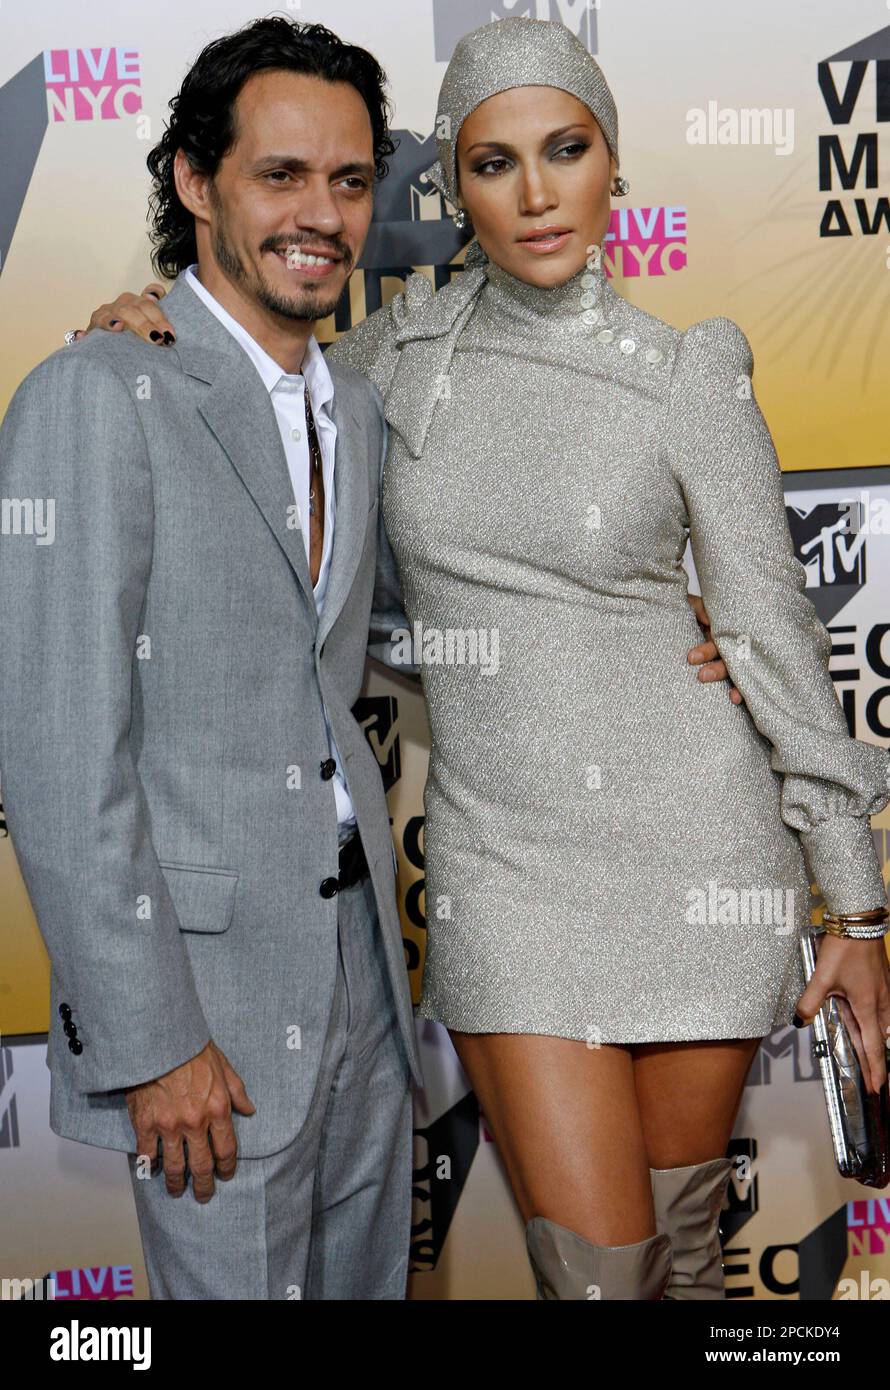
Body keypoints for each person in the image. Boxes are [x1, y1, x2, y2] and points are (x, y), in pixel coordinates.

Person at [72, 17, 860, 1303]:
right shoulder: (384, 360)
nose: (536, 192)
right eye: (494, 163)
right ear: (454, 190)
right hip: (505, 870)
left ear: (613, 162)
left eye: (566, 150)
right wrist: (140, 327)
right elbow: (267, 497)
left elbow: (775, 643)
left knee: (684, 1257)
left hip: (698, 850)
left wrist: (856, 907)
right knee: (599, 1276)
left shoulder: (687, 369)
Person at [0, 17, 427, 1301]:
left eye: (350, 181)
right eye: (280, 175)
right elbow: (62, 750)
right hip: (204, 1004)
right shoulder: (96, 394)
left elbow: (392, 629)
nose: (324, 214)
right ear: (194, 182)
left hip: (363, 971)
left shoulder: (354, 401)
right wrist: (150, 1042)